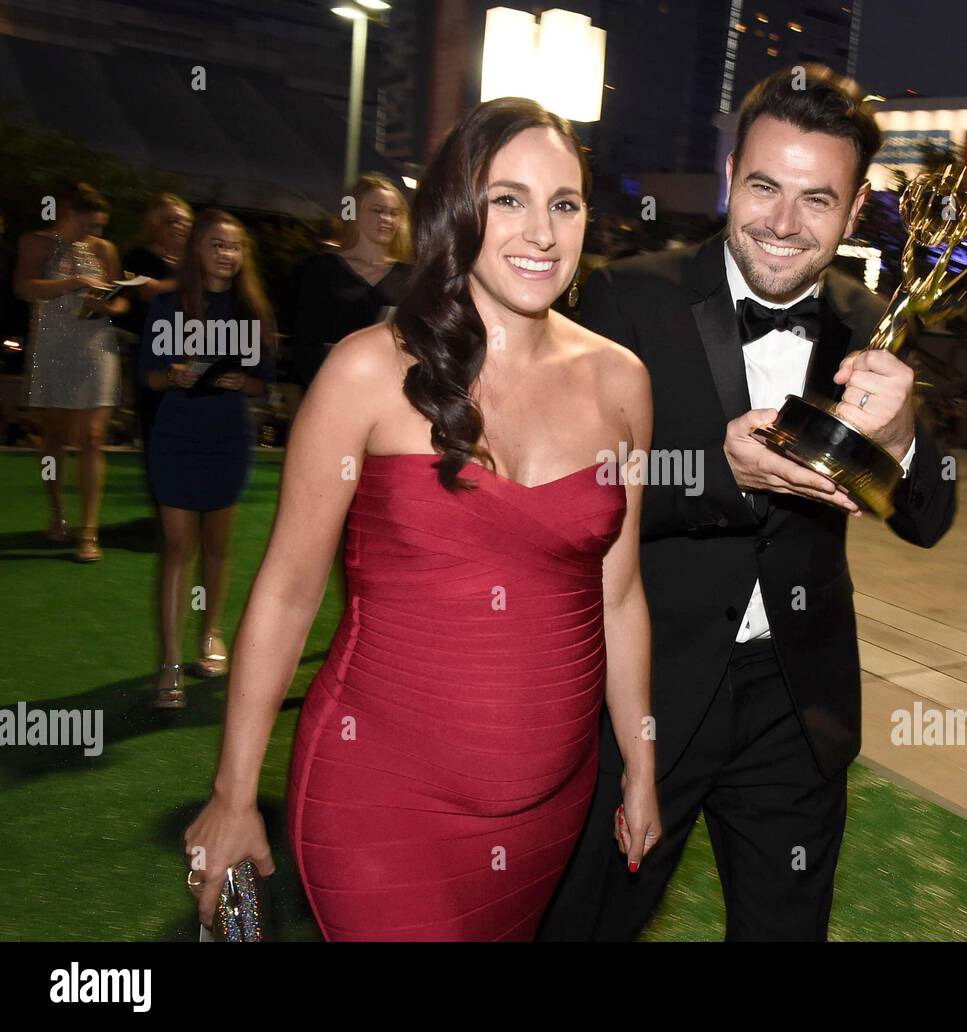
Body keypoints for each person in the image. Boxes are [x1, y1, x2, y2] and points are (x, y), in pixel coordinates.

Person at [183, 97, 661, 941]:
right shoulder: (366, 372)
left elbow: (619, 597)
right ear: (454, 209)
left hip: (551, 811)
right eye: (507, 198)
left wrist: (642, 759)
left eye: (566, 203)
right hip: (379, 801)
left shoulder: (622, 383)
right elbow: (289, 592)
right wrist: (231, 792)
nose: (541, 233)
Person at [540, 65, 957, 942]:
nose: (782, 222)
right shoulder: (627, 296)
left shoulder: (871, 319)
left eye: (817, 199)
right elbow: (564, 503)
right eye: (764, 186)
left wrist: (907, 433)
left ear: (852, 212)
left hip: (796, 708)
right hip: (645, 688)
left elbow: (926, 516)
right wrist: (715, 472)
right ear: (731, 176)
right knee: (590, 923)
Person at [137, 210, 277, 708]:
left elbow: (265, 383)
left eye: (235, 247)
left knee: (217, 546)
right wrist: (170, 375)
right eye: (217, 244)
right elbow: (147, 376)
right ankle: (170, 662)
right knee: (178, 548)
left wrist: (244, 383)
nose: (227, 255)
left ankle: (209, 633)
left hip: (226, 438)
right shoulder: (169, 305)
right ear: (198, 249)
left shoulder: (251, 310)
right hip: (176, 435)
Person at [14, 182, 127, 562]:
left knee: (94, 436)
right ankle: (57, 512)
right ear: (69, 214)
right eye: (89, 225)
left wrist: (110, 305)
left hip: (95, 345)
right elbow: (25, 287)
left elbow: (120, 297)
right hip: (53, 346)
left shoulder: (105, 250)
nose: (94, 233)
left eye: (100, 227)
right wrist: (75, 283)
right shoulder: (36, 242)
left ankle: (89, 531)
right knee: (55, 439)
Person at [291, 172, 412, 388]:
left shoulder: (410, 276)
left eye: (394, 213)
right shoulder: (321, 270)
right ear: (354, 212)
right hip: (331, 389)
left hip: (390, 392)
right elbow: (303, 344)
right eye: (377, 211)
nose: (386, 219)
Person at [118, 194, 193, 481]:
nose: (180, 227)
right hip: (154, 353)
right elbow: (143, 292)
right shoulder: (138, 257)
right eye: (172, 221)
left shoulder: (197, 260)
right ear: (155, 224)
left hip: (194, 348)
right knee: (155, 427)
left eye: (185, 221)